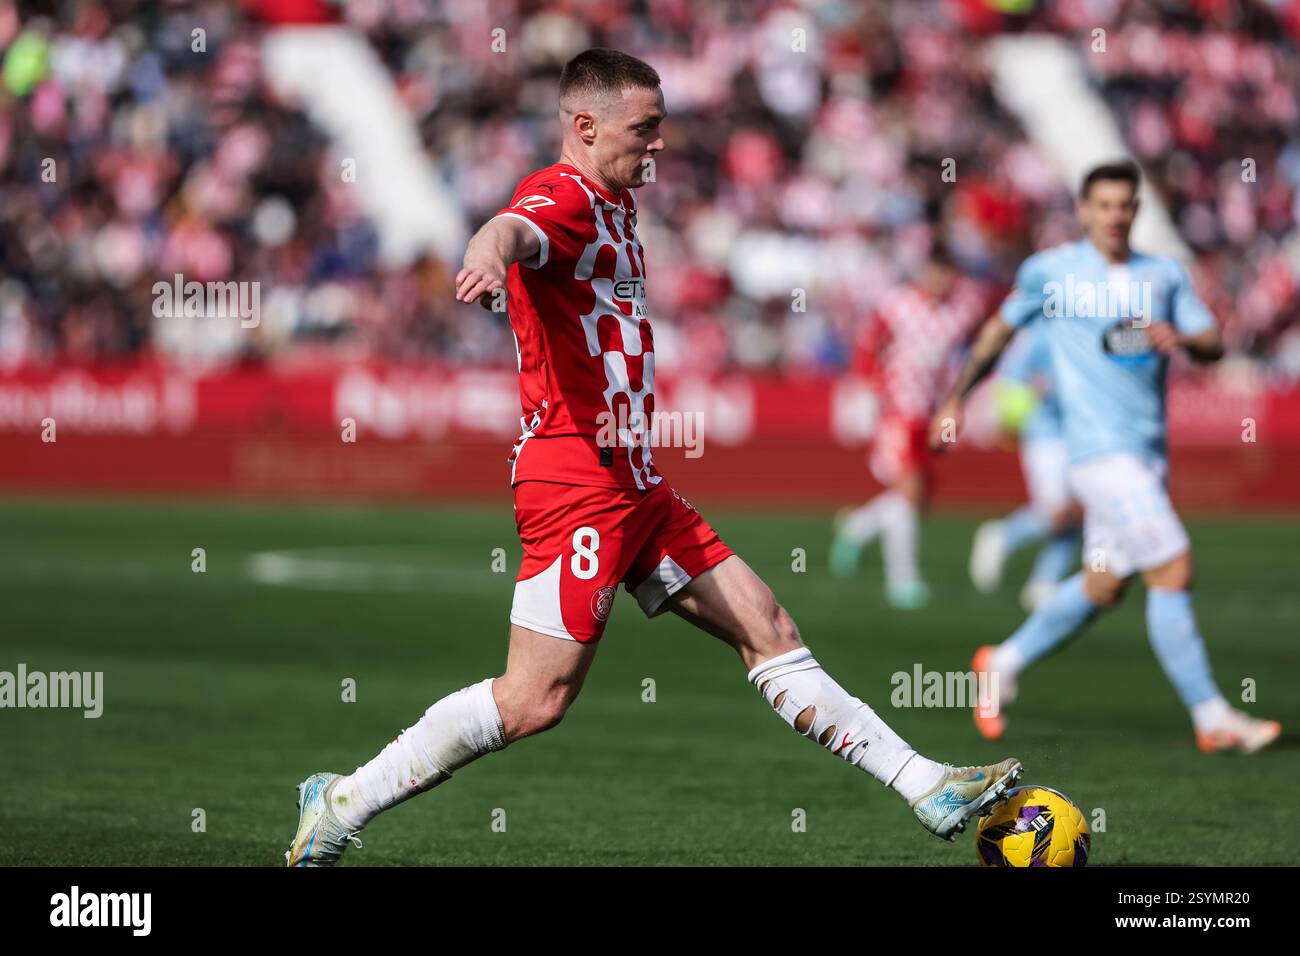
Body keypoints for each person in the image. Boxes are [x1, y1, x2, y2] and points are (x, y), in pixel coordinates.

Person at [285, 49, 1021, 866]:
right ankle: (342, 802)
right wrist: (489, 254)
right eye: (645, 128)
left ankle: (925, 784)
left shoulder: (616, 203)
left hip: (634, 482)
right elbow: (513, 227)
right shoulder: (564, 195)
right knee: (533, 700)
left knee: (769, 628)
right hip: (577, 481)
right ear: (586, 126)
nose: (660, 143)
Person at [929, 159, 1281, 753]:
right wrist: (956, 400)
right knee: (1172, 567)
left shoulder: (1163, 275)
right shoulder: (1053, 272)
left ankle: (1002, 661)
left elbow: (1214, 344)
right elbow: (997, 331)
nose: (1115, 215)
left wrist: (1184, 339)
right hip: (1096, 454)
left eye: (1125, 205)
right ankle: (1212, 715)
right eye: (1104, 205)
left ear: (1135, 210)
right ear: (1084, 210)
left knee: (1104, 585)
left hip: (1148, 455)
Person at [829, 247, 985, 609]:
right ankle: (903, 581)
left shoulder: (961, 311)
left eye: (947, 274)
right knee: (910, 490)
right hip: (897, 410)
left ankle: (858, 527)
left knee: (919, 498)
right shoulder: (898, 304)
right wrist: (872, 383)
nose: (941, 280)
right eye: (936, 272)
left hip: (932, 414)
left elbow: (975, 349)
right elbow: (869, 344)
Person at [968, 321, 1083, 611]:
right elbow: (1010, 380)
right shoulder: (1039, 335)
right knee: (1057, 513)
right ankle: (1005, 535)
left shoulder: (1086, 330)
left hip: (1081, 434)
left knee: (1080, 514)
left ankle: (1044, 584)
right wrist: (1025, 402)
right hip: (1046, 435)